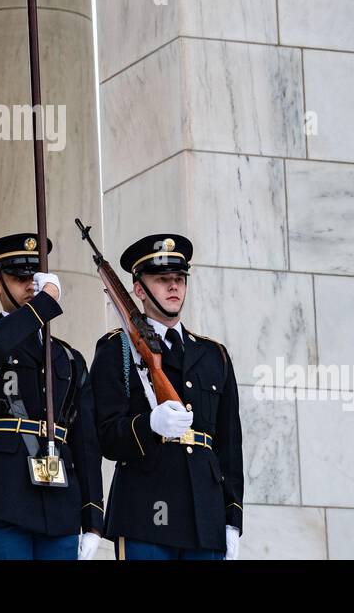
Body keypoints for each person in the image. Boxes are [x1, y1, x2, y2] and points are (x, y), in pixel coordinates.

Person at [0, 233, 104, 559]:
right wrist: (44, 303)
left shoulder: (68, 358)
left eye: (36, 278)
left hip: (59, 503)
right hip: (0, 494)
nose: (30, 286)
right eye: (20, 278)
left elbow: (85, 441)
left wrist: (92, 516)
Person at [90, 233, 244, 560]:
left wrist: (232, 518)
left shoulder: (214, 355)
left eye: (179, 279)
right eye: (162, 280)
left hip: (205, 515)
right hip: (146, 512)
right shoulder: (117, 349)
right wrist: (150, 424)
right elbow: (106, 437)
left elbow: (229, 447)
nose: (174, 287)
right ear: (139, 290)